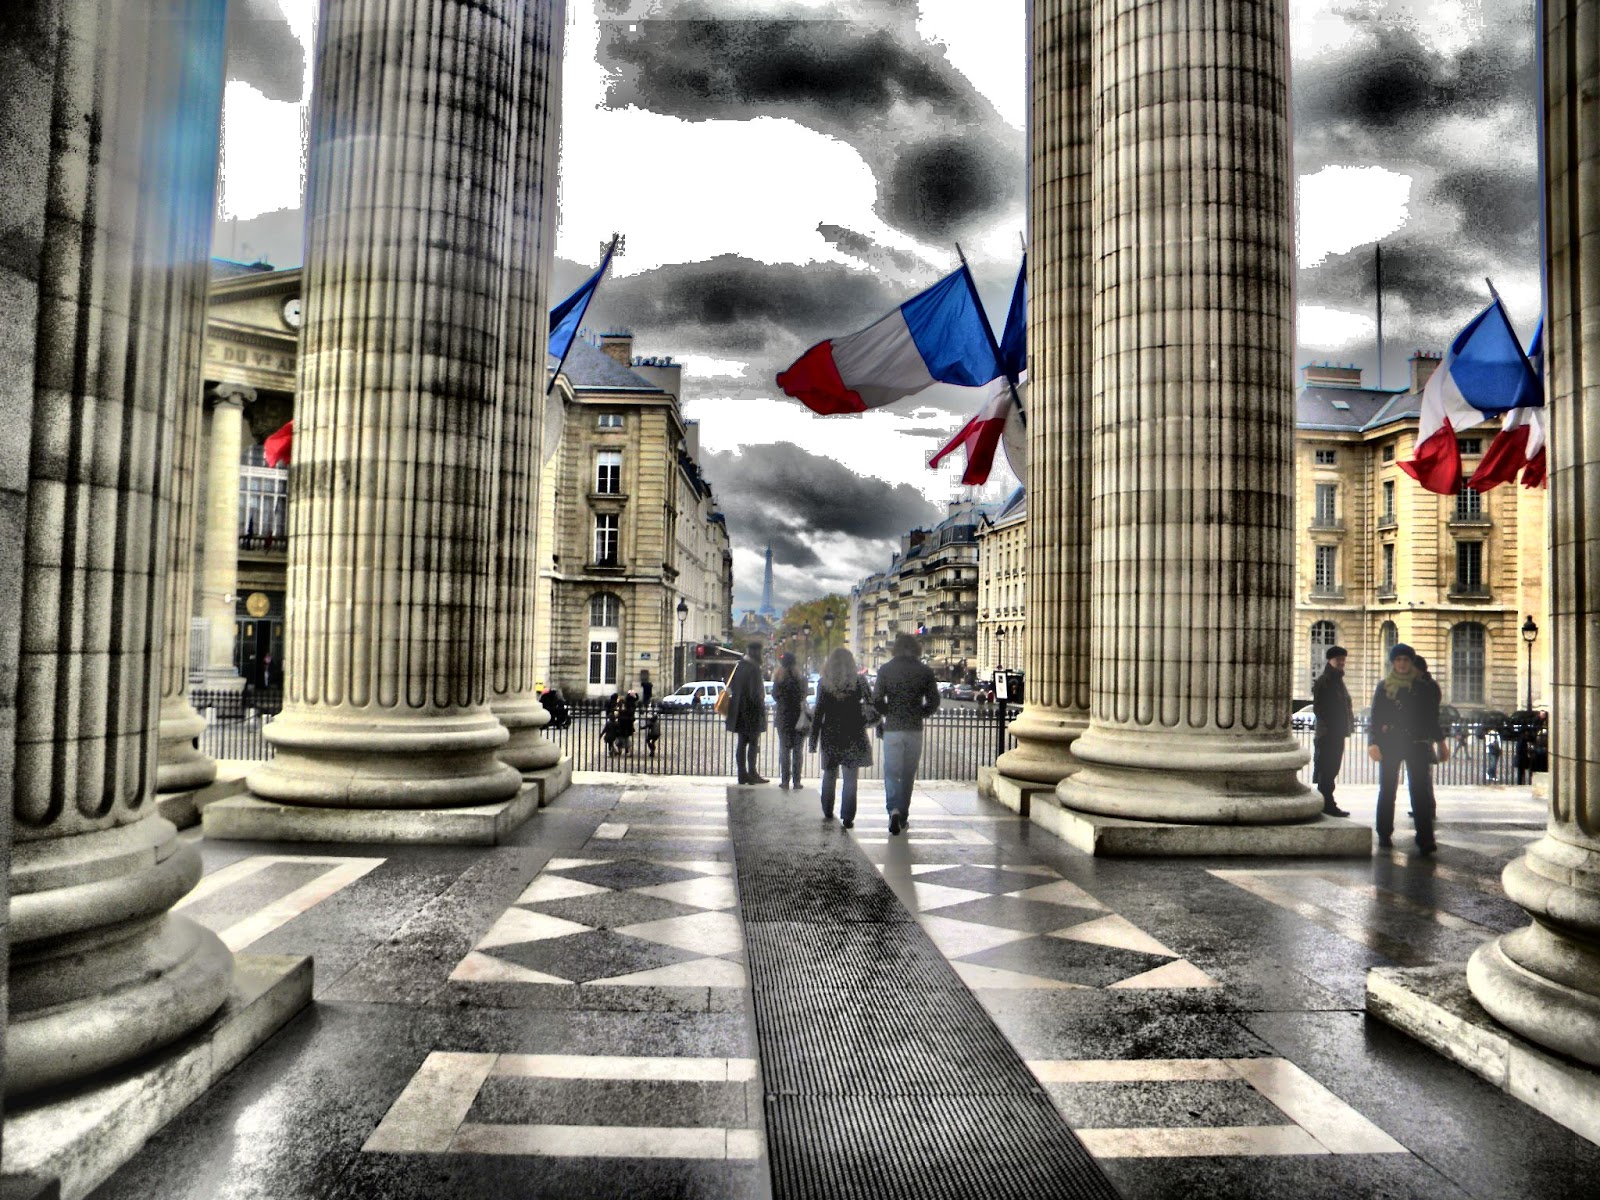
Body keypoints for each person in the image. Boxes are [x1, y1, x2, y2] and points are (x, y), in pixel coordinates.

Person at [1368, 642, 1449, 854]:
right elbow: (1376, 717)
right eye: (1398, 660)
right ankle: (1384, 832)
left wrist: (1441, 742)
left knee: (1420, 792)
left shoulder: (1423, 686)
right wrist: (1373, 742)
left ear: (1411, 662)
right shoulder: (1384, 686)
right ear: (1393, 663)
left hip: (1417, 743)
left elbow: (1432, 717)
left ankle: (1425, 838)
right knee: (1387, 790)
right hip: (1391, 743)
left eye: (1405, 660)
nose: (1402, 664)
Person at [872, 632, 941, 835]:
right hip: (914, 728)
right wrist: (921, 712)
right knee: (908, 774)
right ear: (916, 649)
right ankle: (903, 815)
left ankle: (893, 809)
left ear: (896, 648)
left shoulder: (886, 669)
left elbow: (876, 699)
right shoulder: (925, 671)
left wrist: (889, 712)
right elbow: (934, 701)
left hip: (893, 728)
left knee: (892, 772)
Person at [810, 646, 873, 827]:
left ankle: (827, 810)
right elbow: (872, 704)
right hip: (854, 732)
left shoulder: (824, 683)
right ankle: (848, 816)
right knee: (850, 778)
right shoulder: (859, 681)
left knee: (829, 774)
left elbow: (818, 713)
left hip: (830, 734)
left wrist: (813, 740)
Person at [1311, 644, 1354, 817]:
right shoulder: (1325, 681)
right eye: (1338, 659)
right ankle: (1326, 804)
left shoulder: (1337, 680)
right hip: (1328, 734)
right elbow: (1319, 709)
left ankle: (1326, 802)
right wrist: (1330, 729)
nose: (1342, 662)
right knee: (1327, 770)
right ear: (1330, 660)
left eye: (1343, 659)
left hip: (1336, 733)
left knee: (1331, 770)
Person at [726, 641, 768, 785]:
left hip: (739, 711)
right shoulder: (754, 668)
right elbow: (755, 694)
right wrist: (761, 708)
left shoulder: (740, 666)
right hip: (751, 711)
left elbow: (733, 687)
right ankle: (752, 773)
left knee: (742, 743)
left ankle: (742, 774)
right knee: (753, 743)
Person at [771, 652, 808, 789]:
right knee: (798, 751)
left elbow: (775, 695)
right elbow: (804, 695)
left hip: (783, 717)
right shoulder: (801, 679)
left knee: (784, 750)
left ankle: (785, 780)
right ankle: (797, 781)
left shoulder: (779, 679)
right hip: (798, 718)